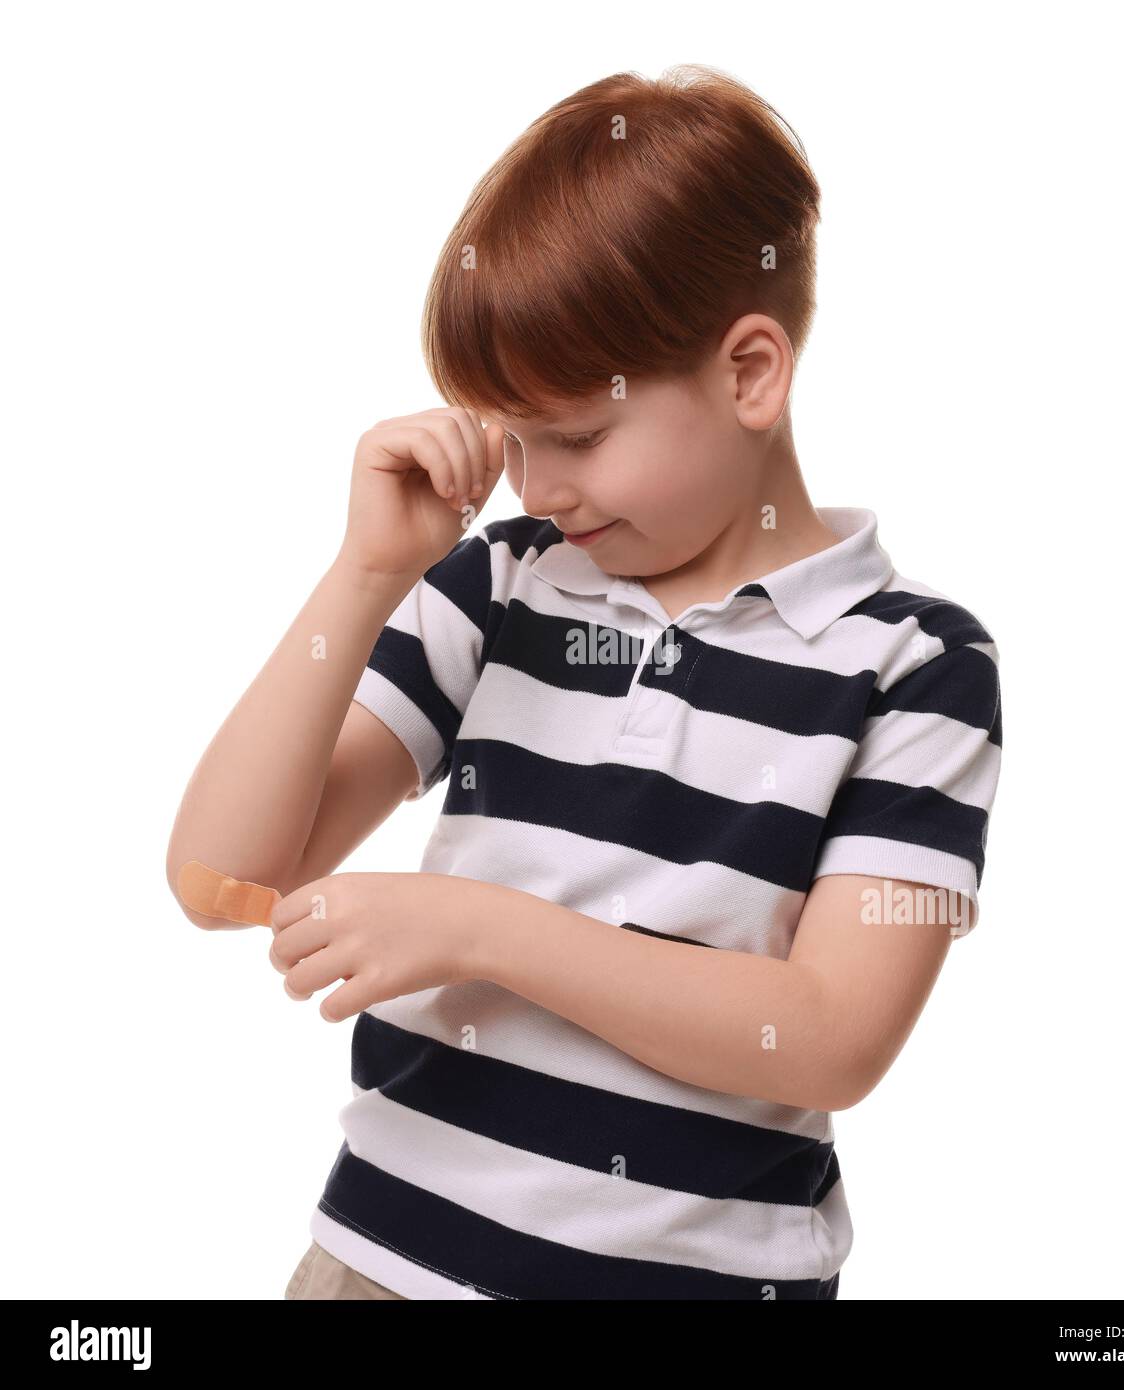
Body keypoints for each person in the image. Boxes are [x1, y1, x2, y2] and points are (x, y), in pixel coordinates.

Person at [167, 64, 1002, 1301]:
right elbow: (222, 876)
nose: (534, 488)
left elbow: (828, 1037)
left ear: (750, 373)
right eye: (511, 439)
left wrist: (482, 929)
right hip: (379, 1268)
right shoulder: (503, 588)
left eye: (576, 436)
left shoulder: (914, 666)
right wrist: (365, 570)